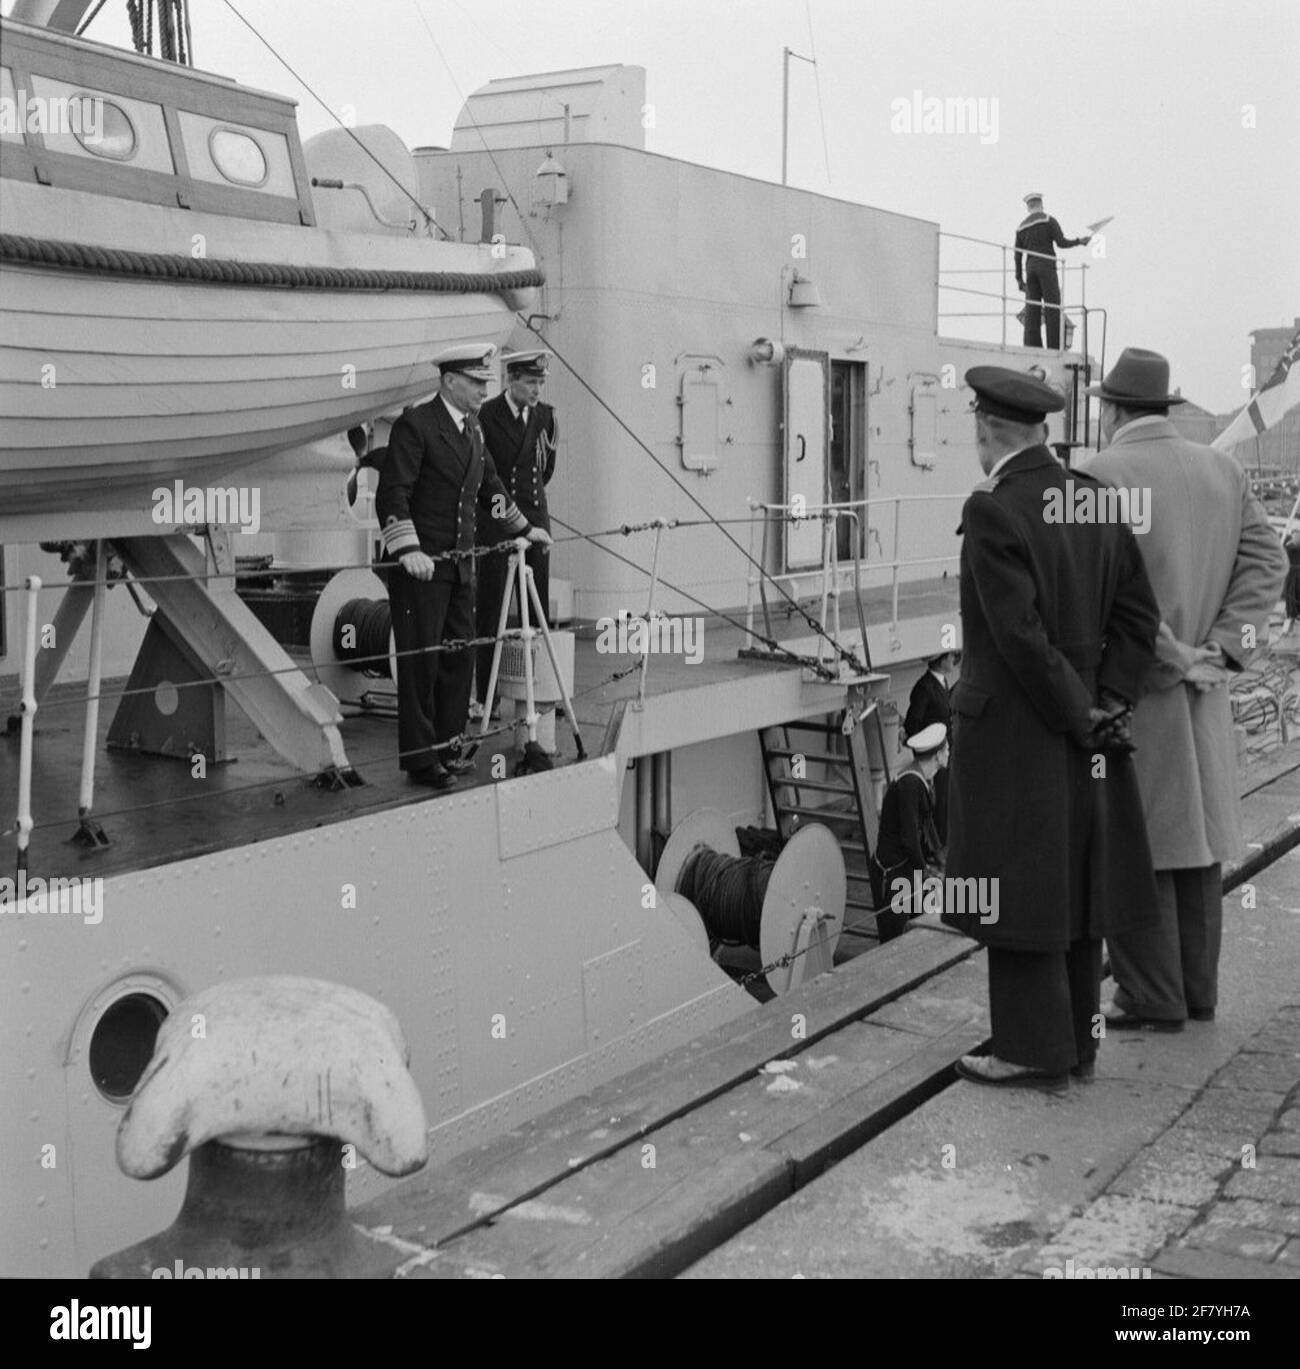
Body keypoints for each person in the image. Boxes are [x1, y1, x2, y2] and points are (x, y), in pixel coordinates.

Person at [943, 366, 1162, 1089]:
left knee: (1018, 890)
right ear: (1041, 430)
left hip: (1019, 732)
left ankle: (1030, 1052)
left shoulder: (992, 510)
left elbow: (1019, 637)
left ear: (986, 429)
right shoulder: (1091, 498)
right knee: (1074, 886)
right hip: (1086, 729)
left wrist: (1078, 713)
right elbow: (1139, 615)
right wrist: (1107, 703)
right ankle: (1074, 1043)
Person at [1081, 347, 1288, 1030]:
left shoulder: (1096, 475)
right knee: (1197, 846)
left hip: (1133, 696)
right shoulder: (1222, 470)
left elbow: (1093, 591)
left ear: (1111, 410)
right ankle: (1197, 991)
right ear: (1164, 406)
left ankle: (1148, 994)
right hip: (1204, 692)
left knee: (1134, 844)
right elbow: (1269, 562)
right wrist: (1223, 649)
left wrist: (1158, 652)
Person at [376, 343, 552, 788]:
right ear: (450, 381)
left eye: (485, 382)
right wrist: (407, 549)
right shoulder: (417, 425)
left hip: (460, 566)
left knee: (459, 657)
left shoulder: (472, 429)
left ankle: (448, 747)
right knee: (422, 662)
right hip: (422, 567)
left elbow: (490, 486)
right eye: (475, 382)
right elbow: (393, 492)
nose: (482, 391)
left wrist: (524, 528)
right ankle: (421, 760)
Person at [475, 349, 558, 714]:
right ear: (511, 380)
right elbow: (485, 477)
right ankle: (487, 698)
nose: (537, 389)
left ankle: (538, 693)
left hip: (536, 520)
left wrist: (529, 518)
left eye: (541, 382)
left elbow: (545, 470)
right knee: (491, 611)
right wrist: (508, 518)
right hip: (497, 524)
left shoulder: (546, 417)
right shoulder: (486, 416)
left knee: (536, 611)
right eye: (530, 382)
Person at [871, 723, 947, 943]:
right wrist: (926, 870)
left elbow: (927, 825)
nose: (949, 753)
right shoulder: (910, 784)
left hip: (907, 870)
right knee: (894, 940)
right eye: (947, 750)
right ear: (937, 755)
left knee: (916, 933)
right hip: (893, 874)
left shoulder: (923, 780)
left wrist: (940, 860)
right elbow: (909, 837)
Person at [1014, 193, 1090, 350]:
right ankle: (1054, 347)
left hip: (1030, 269)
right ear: (1041, 204)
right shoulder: (1049, 220)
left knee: (1032, 309)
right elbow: (1061, 243)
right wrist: (1079, 241)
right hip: (1046, 266)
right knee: (1052, 307)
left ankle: (1032, 345)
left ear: (1028, 207)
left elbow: (1017, 255)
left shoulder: (1021, 228)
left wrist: (1019, 279)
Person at [902, 650, 955, 842]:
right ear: (940, 660)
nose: (954, 659)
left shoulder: (941, 683)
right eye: (950, 656)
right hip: (933, 755)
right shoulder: (924, 688)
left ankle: (943, 840)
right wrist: (924, 751)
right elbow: (912, 723)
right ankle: (937, 843)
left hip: (944, 752)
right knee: (937, 801)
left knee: (945, 799)